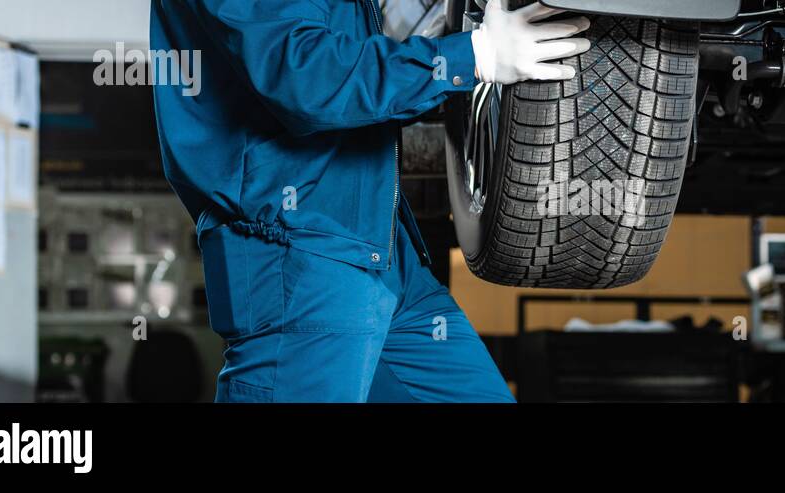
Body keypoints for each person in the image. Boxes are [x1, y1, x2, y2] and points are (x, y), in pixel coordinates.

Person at [151, 0, 591, 402]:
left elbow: (353, 93)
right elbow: (306, 79)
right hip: (300, 254)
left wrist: (458, 57)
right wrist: (469, 55)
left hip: (384, 255)